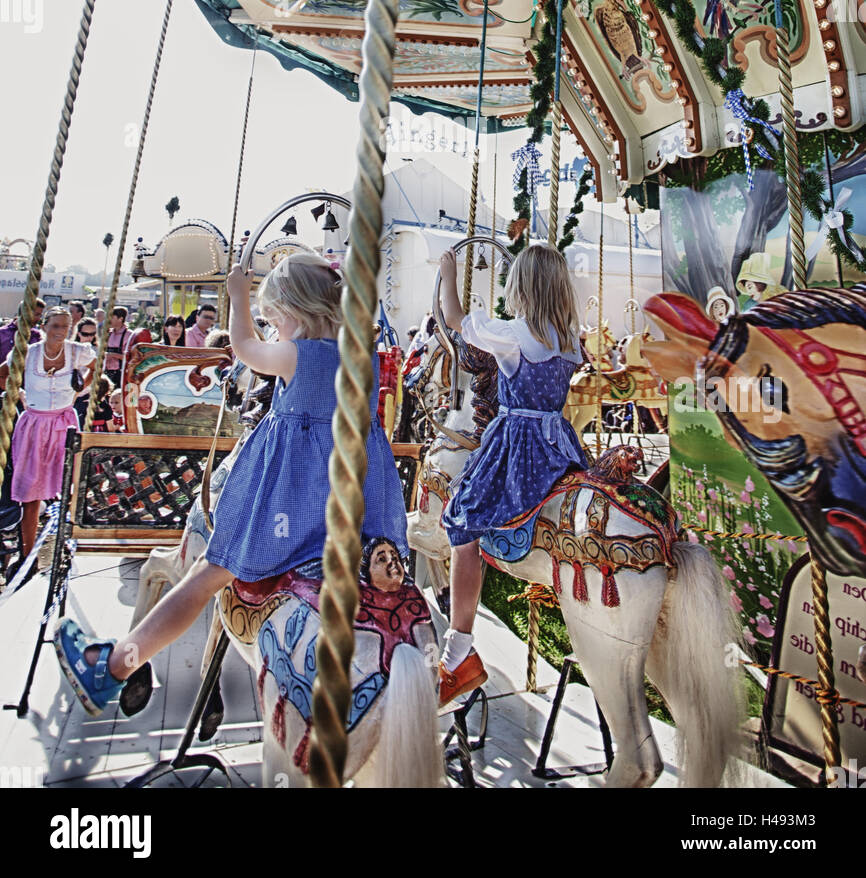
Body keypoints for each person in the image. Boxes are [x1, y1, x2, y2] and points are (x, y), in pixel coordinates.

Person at [53, 252, 408, 715]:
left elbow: (243, 346)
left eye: (273, 319)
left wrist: (238, 300)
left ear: (292, 314)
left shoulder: (293, 354)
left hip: (292, 511)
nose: (271, 328)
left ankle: (114, 668)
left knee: (205, 575)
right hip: (347, 517)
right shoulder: (358, 358)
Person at [435, 243, 587, 707]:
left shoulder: (514, 334)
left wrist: (447, 271)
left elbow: (458, 320)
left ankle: (458, 648)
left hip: (517, 441)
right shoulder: (569, 338)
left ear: (520, 286)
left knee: (463, 523)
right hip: (558, 442)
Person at [0, 307, 94, 557]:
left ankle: (64, 543)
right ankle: (27, 551)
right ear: (43, 327)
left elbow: (97, 367)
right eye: (55, 326)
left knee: (67, 487)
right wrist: (19, 395)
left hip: (64, 423)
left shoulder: (77, 351)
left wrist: (80, 388)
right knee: (30, 491)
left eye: (65, 326)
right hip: (34, 425)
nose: (61, 331)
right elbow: (3, 375)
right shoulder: (27, 354)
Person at [104, 308, 132, 388]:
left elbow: (130, 358)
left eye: (112, 317)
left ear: (121, 319)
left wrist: (112, 355)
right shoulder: (108, 333)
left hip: (121, 374)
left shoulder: (129, 335)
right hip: (106, 372)